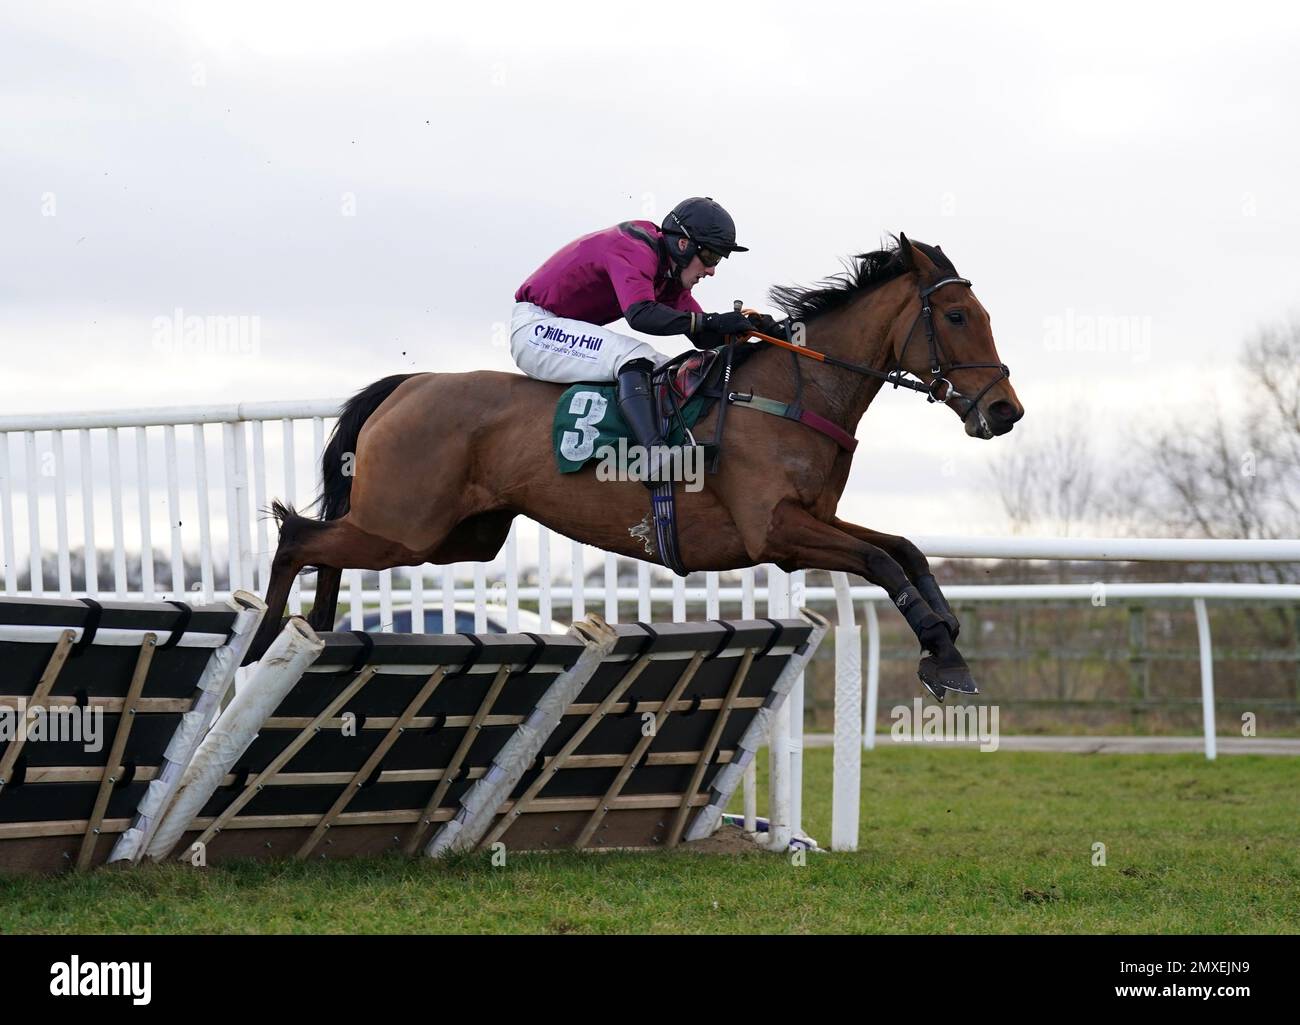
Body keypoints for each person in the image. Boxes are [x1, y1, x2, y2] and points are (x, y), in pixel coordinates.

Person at [511, 197, 772, 483]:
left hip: (560, 327)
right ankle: (653, 454)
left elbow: (704, 336)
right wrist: (712, 320)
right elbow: (641, 315)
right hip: (536, 329)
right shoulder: (632, 247)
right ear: (683, 244)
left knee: (668, 368)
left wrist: (756, 331)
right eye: (711, 257)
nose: (712, 270)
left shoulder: (668, 274)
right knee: (638, 356)